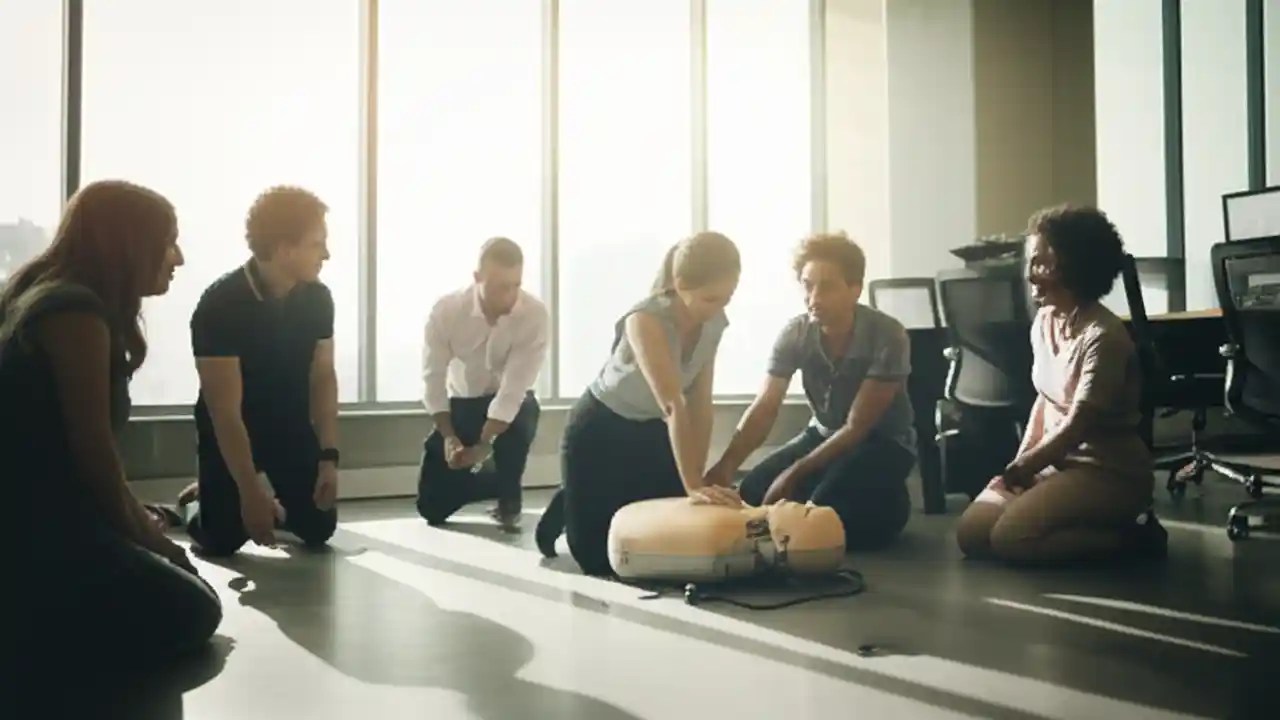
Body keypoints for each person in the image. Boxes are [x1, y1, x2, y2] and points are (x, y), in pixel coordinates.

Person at [1, 180, 221, 674]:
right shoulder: (75, 314)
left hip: (38, 514)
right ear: (129, 244)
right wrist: (160, 546)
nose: (179, 257)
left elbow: (55, 454)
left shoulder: (49, 299)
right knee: (195, 606)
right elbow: (93, 455)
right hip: (29, 532)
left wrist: (133, 518)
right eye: (168, 240)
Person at [955, 205, 1166, 564]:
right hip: (1054, 464)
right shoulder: (1045, 322)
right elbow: (1045, 401)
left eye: (1040, 264)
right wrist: (1021, 461)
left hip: (1106, 472)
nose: (1030, 275)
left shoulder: (1104, 337)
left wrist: (1026, 469)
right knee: (972, 534)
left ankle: (1135, 537)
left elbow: (1078, 424)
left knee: (1011, 540)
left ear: (1074, 267)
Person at [535, 231, 744, 575]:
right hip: (601, 429)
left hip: (651, 433)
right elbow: (673, 404)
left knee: (661, 539)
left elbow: (700, 404)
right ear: (679, 284)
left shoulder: (714, 323)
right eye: (710, 299)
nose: (718, 309)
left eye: (727, 298)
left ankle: (583, 491)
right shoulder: (644, 319)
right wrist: (692, 483)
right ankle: (568, 499)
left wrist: (698, 481)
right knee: (599, 561)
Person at [703, 232, 917, 550]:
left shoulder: (887, 334)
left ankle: (889, 505)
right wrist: (726, 466)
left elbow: (857, 427)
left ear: (854, 288)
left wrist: (794, 474)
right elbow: (765, 406)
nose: (813, 297)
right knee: (752, 491)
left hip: (883, 441)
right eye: (807, 285)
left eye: (826, 287)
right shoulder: (796, 333)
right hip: (822, 434)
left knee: (821, 510)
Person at [182, 186, 340, 556]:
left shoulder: (318, 297)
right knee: (222, 539)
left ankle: (251, 497)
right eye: (317, 244)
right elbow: (224, 412)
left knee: (319, 528)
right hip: (234, 429)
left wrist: (329, 457)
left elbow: (323, 376)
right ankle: (198, 501)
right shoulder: (220, 305)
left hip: (289, 424)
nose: (327, 254)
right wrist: (250, 491)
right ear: (285, 249)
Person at [418, 237, 548, 530]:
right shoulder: (447, 311)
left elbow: (514, 388)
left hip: (510, 409)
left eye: (516, 285)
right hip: (463, 404)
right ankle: (490, 480)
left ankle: (506, 492)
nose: (510, 295)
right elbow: (433, 379)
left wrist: (483, 444)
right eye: (502, 287)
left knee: (524, 409)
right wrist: (450, 438)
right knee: (430, 509)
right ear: (478, 279)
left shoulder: (534, 315)